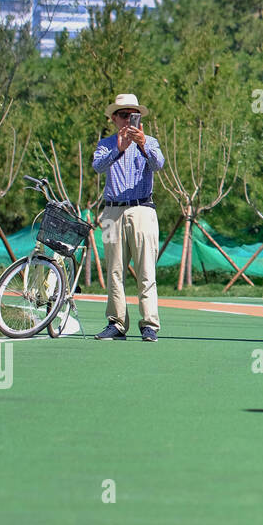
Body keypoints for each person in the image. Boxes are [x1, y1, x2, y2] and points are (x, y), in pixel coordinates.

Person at [92, 94, 166, 342]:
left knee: (146, 270)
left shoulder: (150, 142)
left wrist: (143, 144)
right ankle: (116, 323)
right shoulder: (106, 144)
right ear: (113, 118)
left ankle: (149, 324)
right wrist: (119, 149)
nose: (128, 120)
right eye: (123, 115)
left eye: (133, 115)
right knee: (114, 270)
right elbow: (98, 166)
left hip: (142, 209)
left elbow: (159, 164)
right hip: (112, 212)